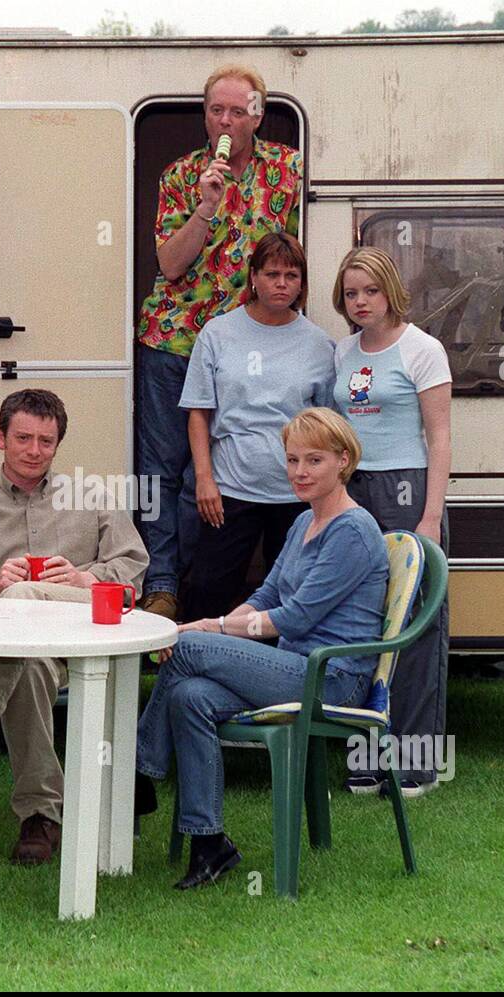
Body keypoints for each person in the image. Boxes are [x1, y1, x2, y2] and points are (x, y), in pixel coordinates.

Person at [136, 408, 388, 889]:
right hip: (291, 667)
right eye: (292, 459)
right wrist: (207, 623)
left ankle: (139, 771)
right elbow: (265, 599)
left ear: (344, 460)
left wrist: (198, 633)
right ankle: (210, 843)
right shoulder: (302, 525)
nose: (299, 471)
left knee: (185, 650)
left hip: (331, 678)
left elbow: (293, 619)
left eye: (314, 460)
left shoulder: (352, 531)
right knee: (190, 697)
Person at [0, 389, 149, 865]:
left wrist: (86, 576)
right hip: (18, 652)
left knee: (24, 596)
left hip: (79, 640)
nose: (34, 450)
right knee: (29, 661)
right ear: (0, 438)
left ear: (58, 444)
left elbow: (134, 568)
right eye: (23, 438)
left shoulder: (92, 498)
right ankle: (39, 817)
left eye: (46, 441)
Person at [135, 63, 305, 622]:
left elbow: (294, 255)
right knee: (163, 469)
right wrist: (206, 205)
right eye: (215, 110)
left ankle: (191, 583)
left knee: (209, 473)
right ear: (204, 117)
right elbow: (170, 264)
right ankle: (161, 584)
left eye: (237, 110)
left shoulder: (287, 170)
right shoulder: (182, 175)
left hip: (245, 346)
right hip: (176, 339)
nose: (225, 121)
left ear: (258, 115)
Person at [330, 247, 451, 798]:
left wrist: (430, 516)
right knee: (359, 624)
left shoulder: (422, 350)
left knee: (413, 629)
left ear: (390, 291)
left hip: (405, 490)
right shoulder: (343, 353)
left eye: (369, 291)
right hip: (352, 494)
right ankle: (365, 757)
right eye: (351, 293)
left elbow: (440, 436)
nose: (360, 302)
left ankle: (416, 764)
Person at [180, 232, 336, 620]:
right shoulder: (218, 334)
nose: (281, 283)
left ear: (301, 283)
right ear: (253, 277)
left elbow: (330, 424)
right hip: (230, 488)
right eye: (272, 274)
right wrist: (204, 478)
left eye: (291, 275)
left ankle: (281, 675)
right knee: (209, 588)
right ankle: (196, 669)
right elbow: (199, 411)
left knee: (290, 596)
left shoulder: (319, 344)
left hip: (297, 494)